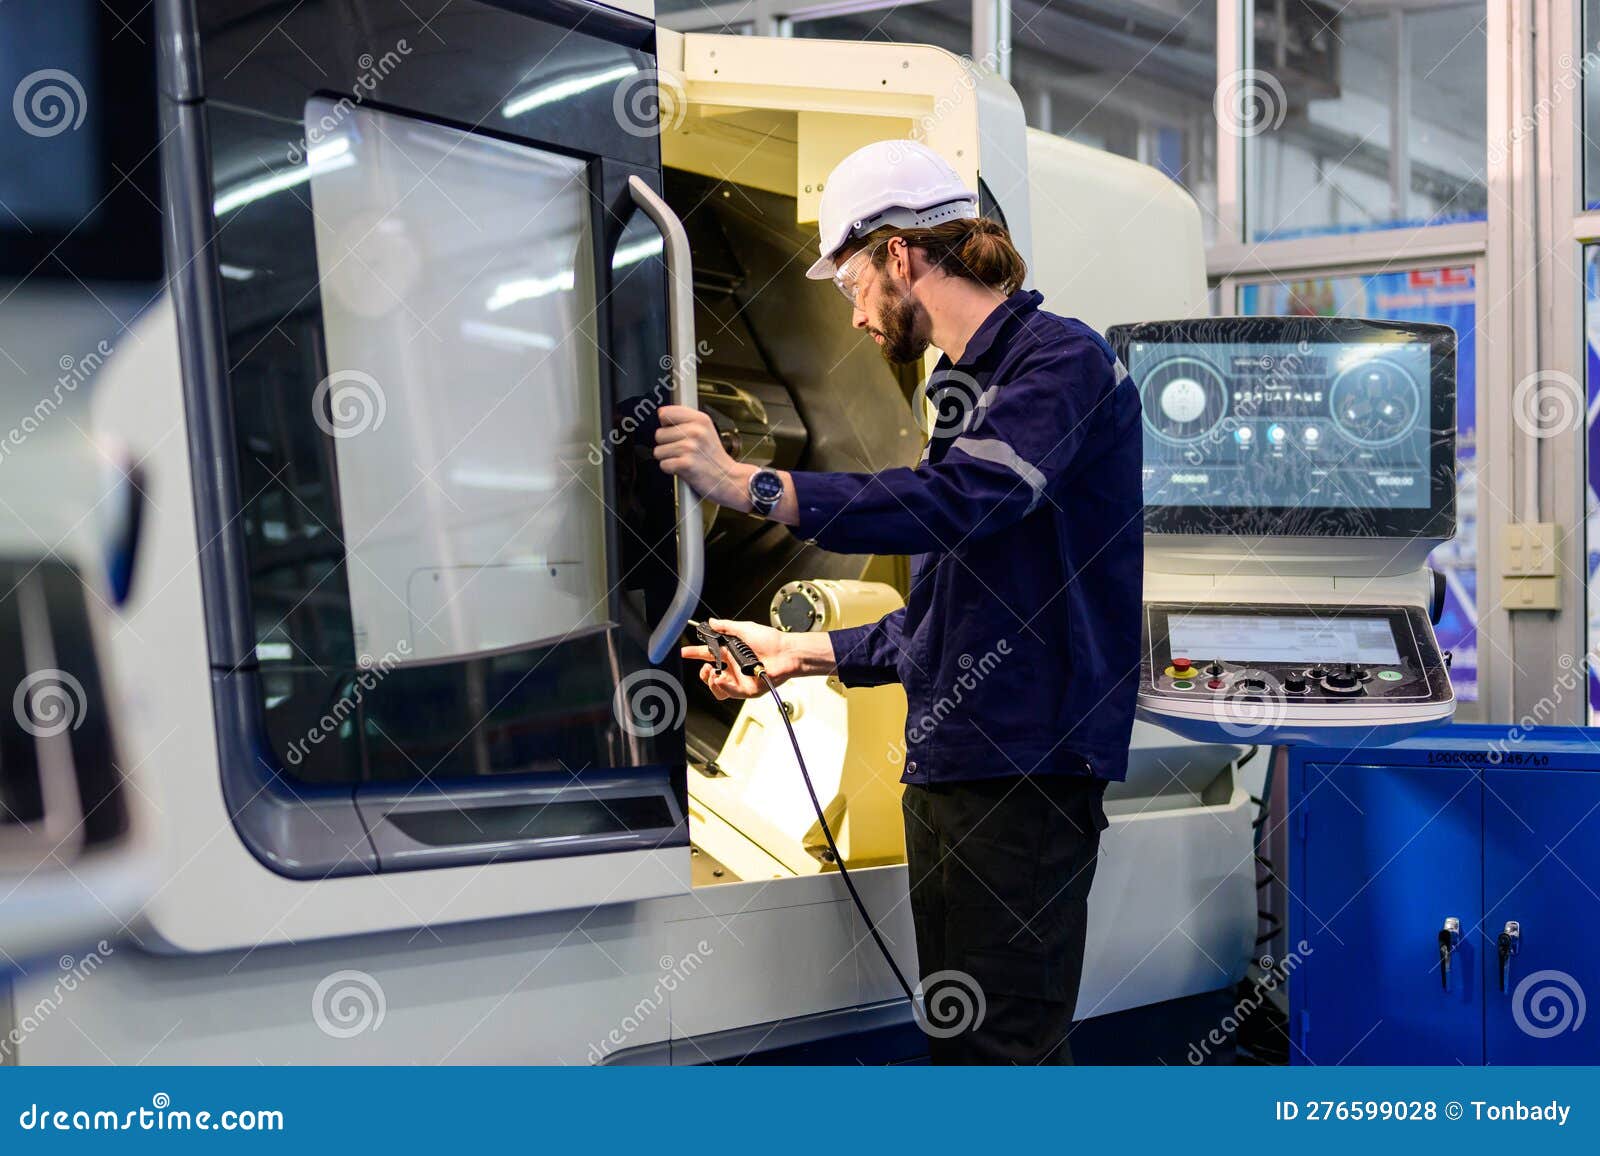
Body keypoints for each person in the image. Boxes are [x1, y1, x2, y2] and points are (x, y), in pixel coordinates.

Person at [653, 139, 1142, 1064]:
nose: (853, 314)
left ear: (899, 255)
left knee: (1009, 1054)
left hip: (1024, 774)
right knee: (960, 1044)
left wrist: (750, 485)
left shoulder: (1061, 363)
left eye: (851, 285)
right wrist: (805, 653)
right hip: (954, 764)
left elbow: (963, 501)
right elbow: (952, 618)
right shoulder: (963, 392)